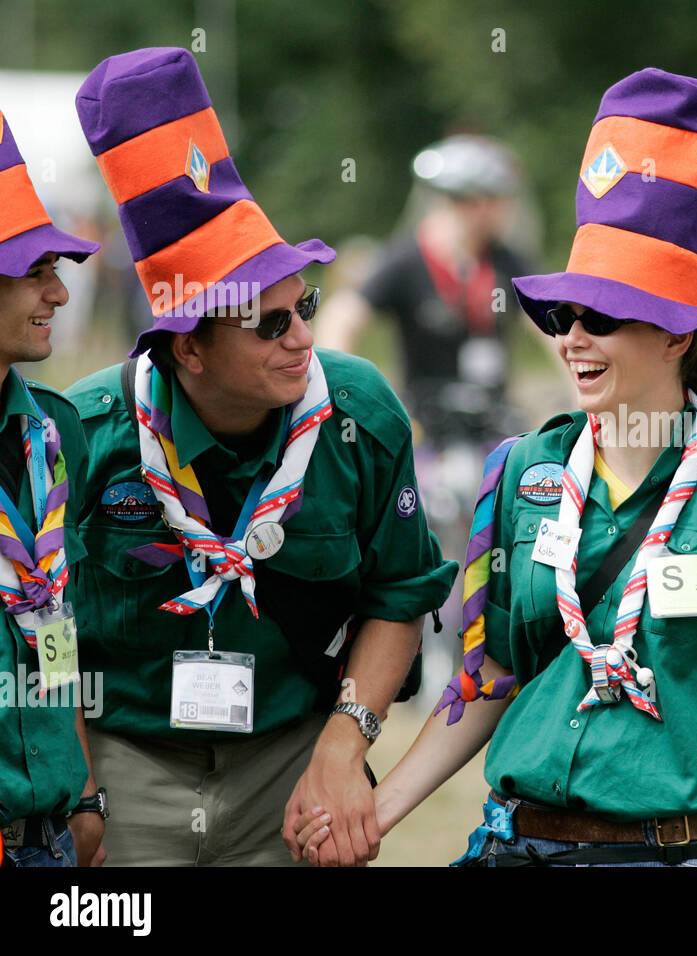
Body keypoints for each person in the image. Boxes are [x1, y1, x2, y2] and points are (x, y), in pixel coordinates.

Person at [295, 68, 697, 867]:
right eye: (563, 314)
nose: (572, 337)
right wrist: (378, 809)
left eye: (601, 317)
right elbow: (495, 674)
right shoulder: (528, 471)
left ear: (680, 333)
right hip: (520, 846)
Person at [65, 47, 456, 867]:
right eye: (270, 325)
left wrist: (345, 747)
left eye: (303, 304)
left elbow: (401, 592)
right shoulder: (86, 432)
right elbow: (48, 629)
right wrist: (81, 786)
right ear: (190, 351)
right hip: (128, 756)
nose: (304, 338)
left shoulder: (358, 411)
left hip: (293, 750)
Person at [0, 108, 105, 868]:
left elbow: (51, 612)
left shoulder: (52, 434)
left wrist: (87, 790)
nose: (60, 296)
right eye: (35, 272)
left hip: (52, 838)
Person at [315, 134, 530, 448]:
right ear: (473, 203)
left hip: (494, 421)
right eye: (500, 201)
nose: (508, 212)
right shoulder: (406, 259)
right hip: (423, 426)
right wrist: (344, 393)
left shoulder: (507, 260)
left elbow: (552, 328)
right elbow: (341, 316)